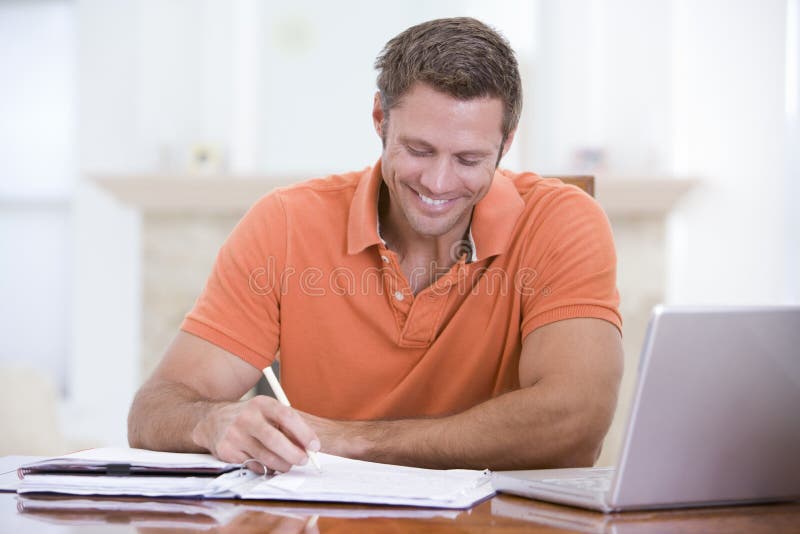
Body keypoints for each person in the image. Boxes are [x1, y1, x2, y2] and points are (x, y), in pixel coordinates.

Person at [128, 17, 623, 472]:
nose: (438, 181)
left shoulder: (561, 221)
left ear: (506, 143)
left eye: (470, 159)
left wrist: (353, 441)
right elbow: (156, 409)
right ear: (379, 119)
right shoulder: (285, 222)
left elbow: (576, 424)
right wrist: (211, 422)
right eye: (418, 150)